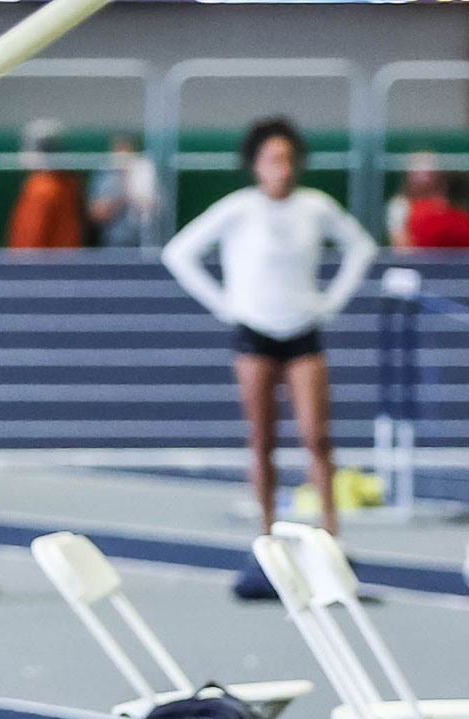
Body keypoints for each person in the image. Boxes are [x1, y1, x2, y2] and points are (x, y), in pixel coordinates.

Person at [161, 116, 376, 589]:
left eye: (289, 159)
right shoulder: (239, 209)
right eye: (273, 159)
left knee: (316, 435)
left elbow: (361, 247)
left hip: (302, 331)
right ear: (256, 165)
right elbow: (179, 252)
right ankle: (265, 537)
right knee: (262, 439)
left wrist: (330, 302)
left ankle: (332, 535)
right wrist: (226, 305)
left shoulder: (315, 206)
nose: (282, 168)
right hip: (254, 333)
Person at [5, 118, 83, 249]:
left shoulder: (42, 190)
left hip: (45, 260)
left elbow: (31, 240)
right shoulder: (64, 185)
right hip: (61, 258)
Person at [86, 131, 156, 249]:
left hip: (143, 243)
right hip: (113, 242)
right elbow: (96, 214)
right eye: (119, 149)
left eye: (127, 149)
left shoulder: (144, 172)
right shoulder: (104, 174)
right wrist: (121, 197)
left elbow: (154, 210)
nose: (123, 155)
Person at [386, 150, 443, 249]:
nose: (423, 172)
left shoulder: (447, 204)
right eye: (418, 166)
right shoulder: (399, 205)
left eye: (428, 166)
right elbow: (400, 244)